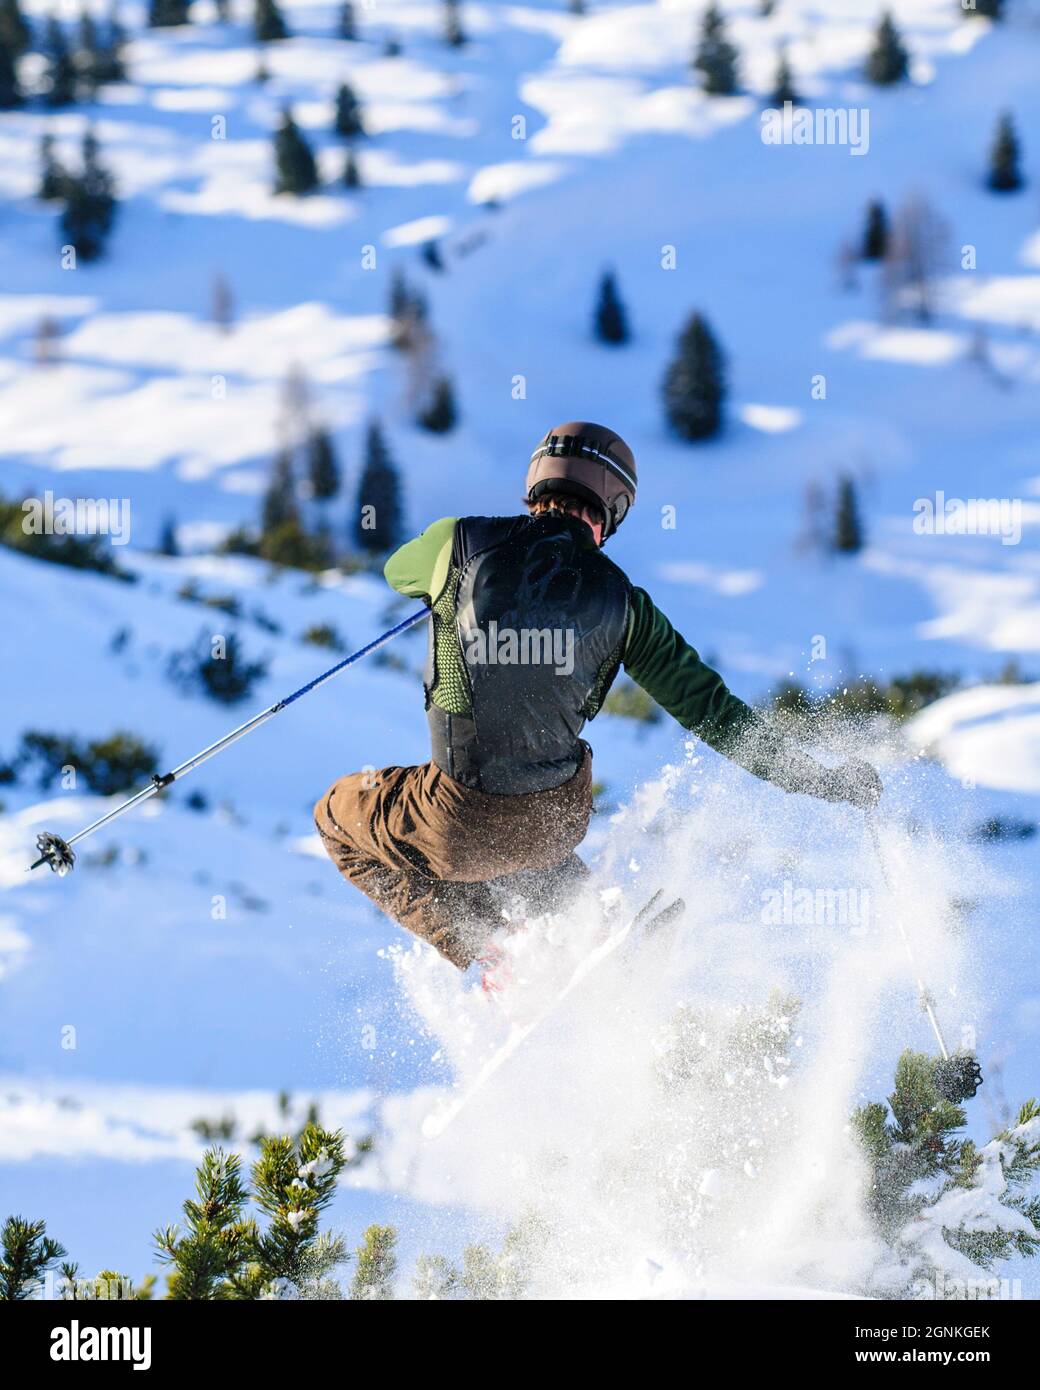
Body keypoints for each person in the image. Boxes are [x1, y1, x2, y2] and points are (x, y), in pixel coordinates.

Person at [315, 421, 881, 975]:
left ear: (538, 480)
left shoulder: (456, 542)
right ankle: (586, 927)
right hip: (558, 818)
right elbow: (716, 714)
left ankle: (488, 950)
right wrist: (818, 779)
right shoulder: (627, 604)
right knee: (526, 842)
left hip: (456, 818)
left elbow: (396, 571)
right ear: (613, 505)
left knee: (336, 814)